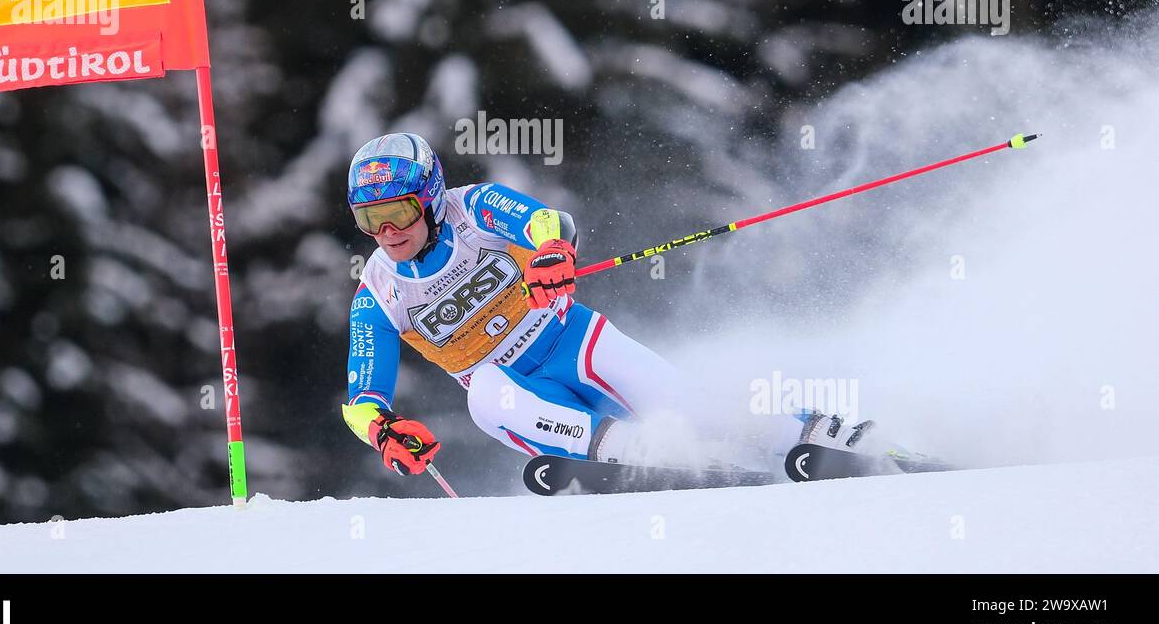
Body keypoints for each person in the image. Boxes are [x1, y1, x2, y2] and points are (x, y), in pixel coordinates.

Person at [341, 132, 872, 478]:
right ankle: (631, 457)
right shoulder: (378, 293)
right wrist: (383, 431)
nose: (386, 232)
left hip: (573, 342)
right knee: (485, 394)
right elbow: (362, 397)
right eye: (368, 219)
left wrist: (551, 252)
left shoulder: (472, 209)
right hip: (511, 388)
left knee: (691, 406)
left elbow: (547, 222)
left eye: (398, 212)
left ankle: (816, 436)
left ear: (431, 198)